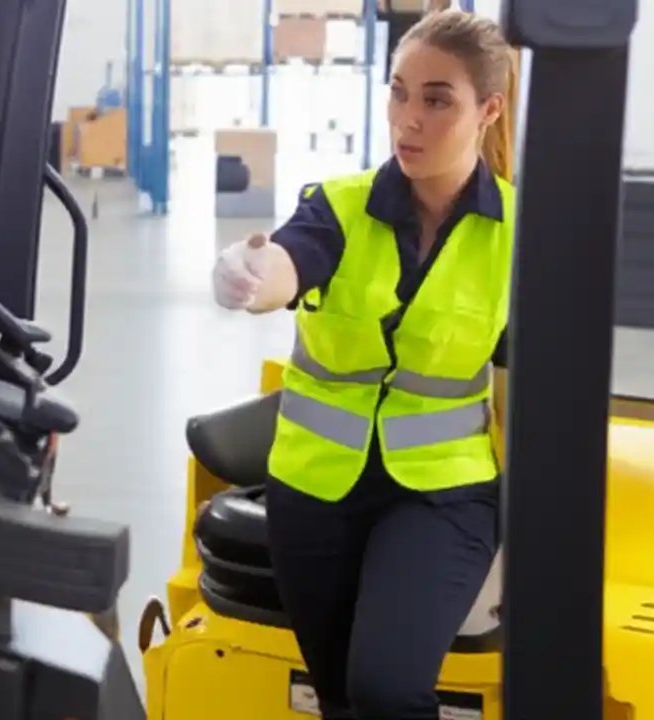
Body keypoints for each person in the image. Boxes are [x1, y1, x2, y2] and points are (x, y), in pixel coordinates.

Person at [212, 10, 516, 720]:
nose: (408, 119)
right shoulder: (340, 207)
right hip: (313, 491)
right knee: (342, 696)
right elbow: (292, 260)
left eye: (437, 99)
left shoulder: (518, 235)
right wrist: (253, 277)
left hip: (442, 496)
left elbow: (534, 381)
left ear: (488, 109)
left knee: (387, 689)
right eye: (398, 92)